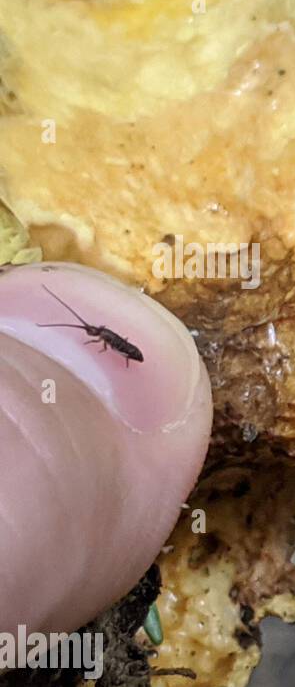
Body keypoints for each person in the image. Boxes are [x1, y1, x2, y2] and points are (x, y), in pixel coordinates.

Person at [0, 263, 211, 636]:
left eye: (93, 332)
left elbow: (116, 346)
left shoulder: (107, 340)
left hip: (133, 354)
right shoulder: (106, 337)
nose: (92, 333)